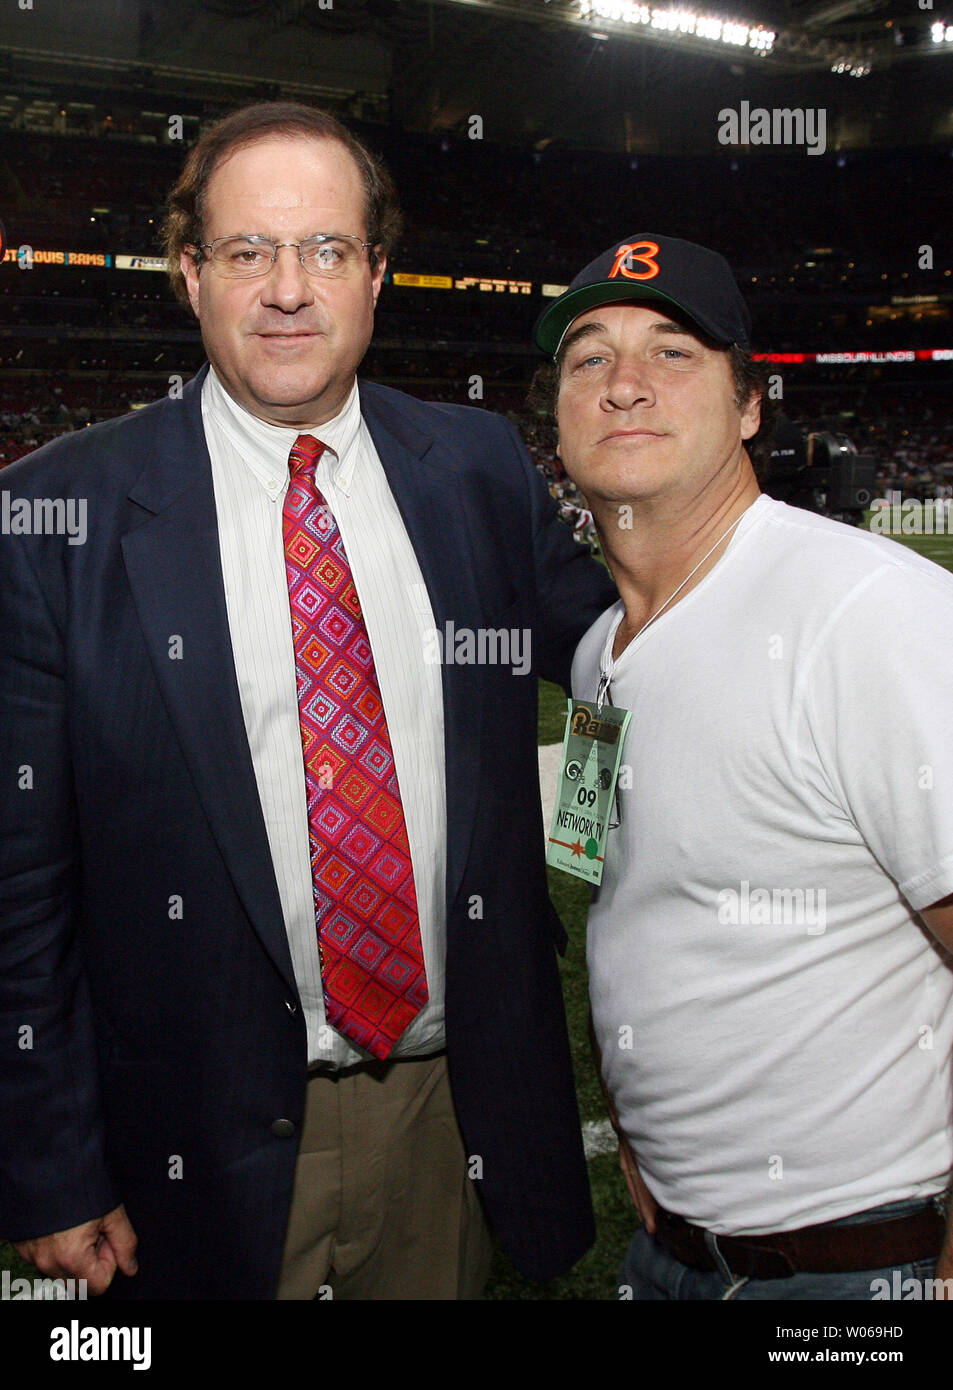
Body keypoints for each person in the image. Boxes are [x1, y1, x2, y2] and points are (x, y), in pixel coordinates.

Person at [0, 103, 616, 1301]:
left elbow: (616, 662)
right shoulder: (51, 520)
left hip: (448, 1115)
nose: (289, 290)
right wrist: (50, 1165)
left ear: (376, 275)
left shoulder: (480, 468)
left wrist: (590, 830)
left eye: (327, 250)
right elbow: (19, 891)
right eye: (247, 252)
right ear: (190, 275)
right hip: (190, 1132)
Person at [532, 233, 953, 1300]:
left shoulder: (868, 613)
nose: (623, 384)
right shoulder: (591, 656)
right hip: (669, 1251)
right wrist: (631, 1125)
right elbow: (608, 895)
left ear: (749, 404)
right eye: (588, 357)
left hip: (856, 1264)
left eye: (672, 353)